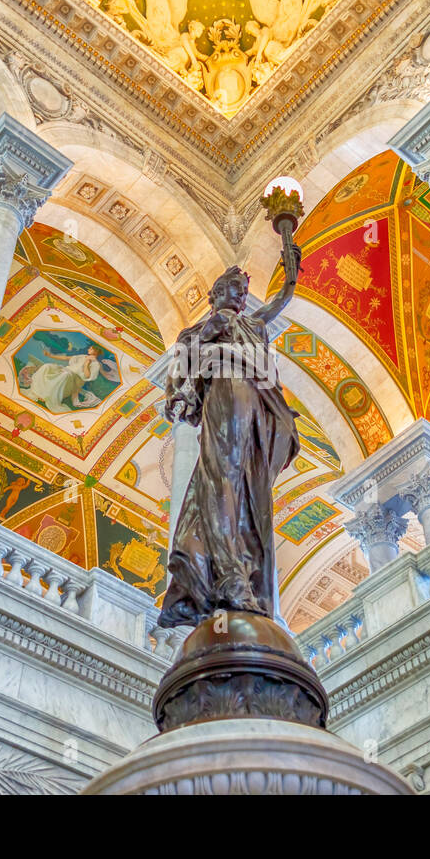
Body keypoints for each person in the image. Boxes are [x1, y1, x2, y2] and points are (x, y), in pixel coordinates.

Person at [157, 234, 301, 627]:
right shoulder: (206, 328)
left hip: (258, 401)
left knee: (246, 483)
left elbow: (281, 299)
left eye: (243, 291)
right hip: (226, 392)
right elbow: (182, 369)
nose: (241, 296)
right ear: (216, 294)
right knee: (224, 474)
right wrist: (208, 335)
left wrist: (290, 268)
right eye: (234, 289)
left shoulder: (252, 323)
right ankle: (228, 576)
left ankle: (246, 575)